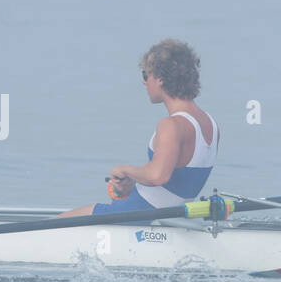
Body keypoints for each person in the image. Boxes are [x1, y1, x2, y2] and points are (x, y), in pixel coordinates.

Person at [58, 39, 218, 220]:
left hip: (138, 216)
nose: (144, 82)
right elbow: (176, 184)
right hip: (167, 218)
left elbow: (158, 176)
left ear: (160, 79)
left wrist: (125, 170)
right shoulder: (210, 123)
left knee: (55, 223)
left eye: (145, 75)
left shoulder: (171, 125)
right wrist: (133, 183)